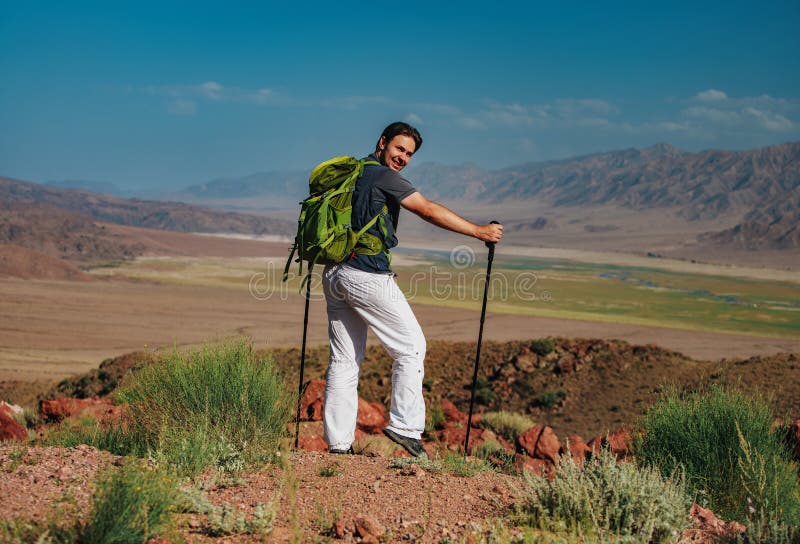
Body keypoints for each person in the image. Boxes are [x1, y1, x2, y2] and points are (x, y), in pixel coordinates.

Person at [322, 121, 503, 457]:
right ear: (382, 142)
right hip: (365, 273)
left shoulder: (355, 172)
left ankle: (338, 444)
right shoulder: (383, 176)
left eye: (408, 153)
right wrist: (478, 232)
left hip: (334, 273)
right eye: (399, 149)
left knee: (345, 360)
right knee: (411, 348)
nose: (403, 157)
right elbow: (427, 210)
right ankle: (405, 427)